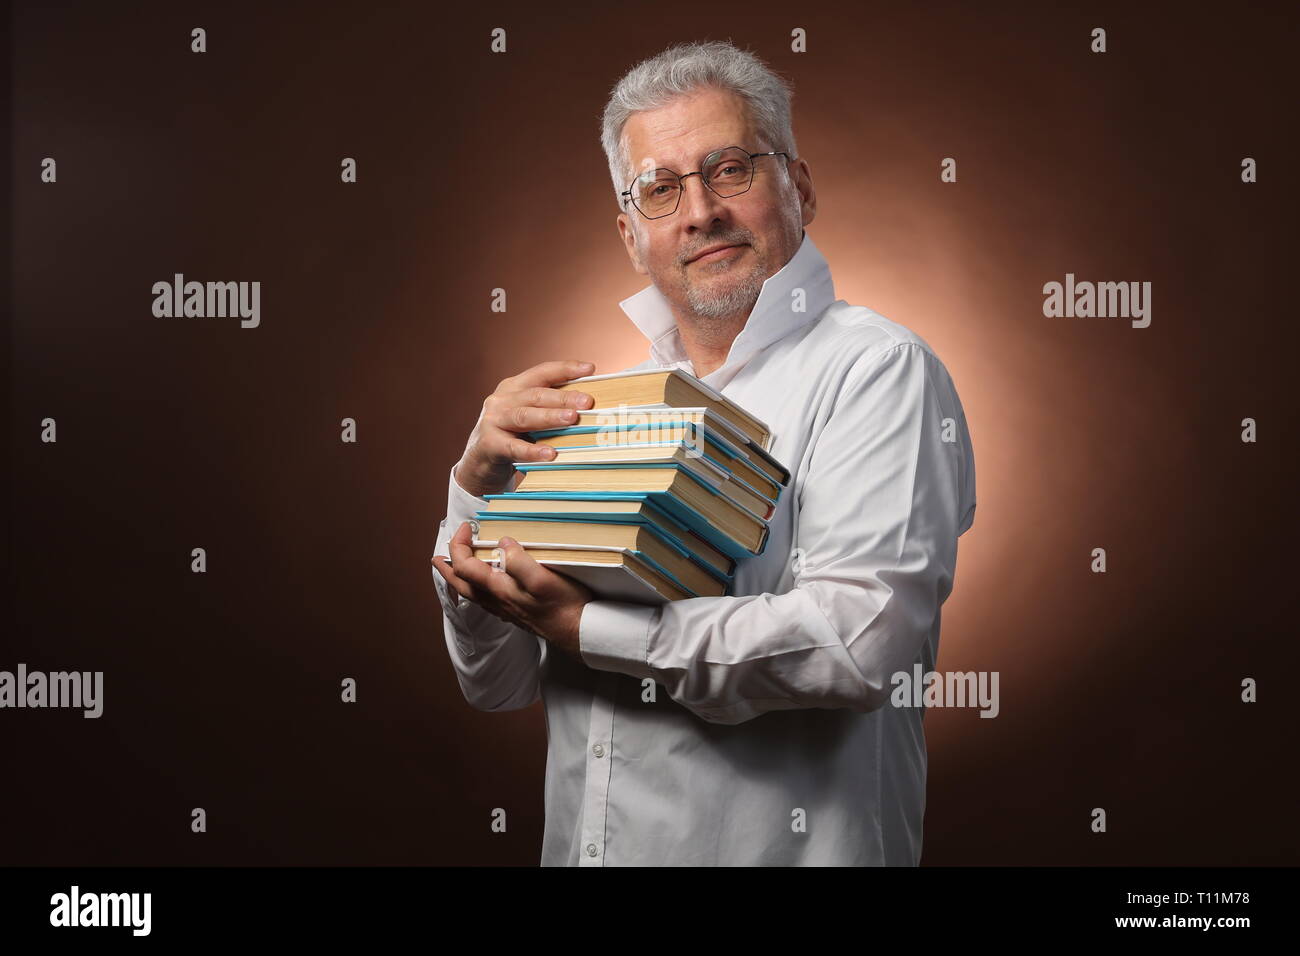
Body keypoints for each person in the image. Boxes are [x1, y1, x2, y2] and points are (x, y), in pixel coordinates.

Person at [431, 40, 977, 865]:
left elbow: (858, 647)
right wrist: (474, 491)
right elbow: (496, 684)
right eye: (661, 189)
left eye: (730, 170)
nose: (699, 212)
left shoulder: (878, 369)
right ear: (629, 234)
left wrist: (590, 629)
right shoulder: (596, 415)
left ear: (798, 187)